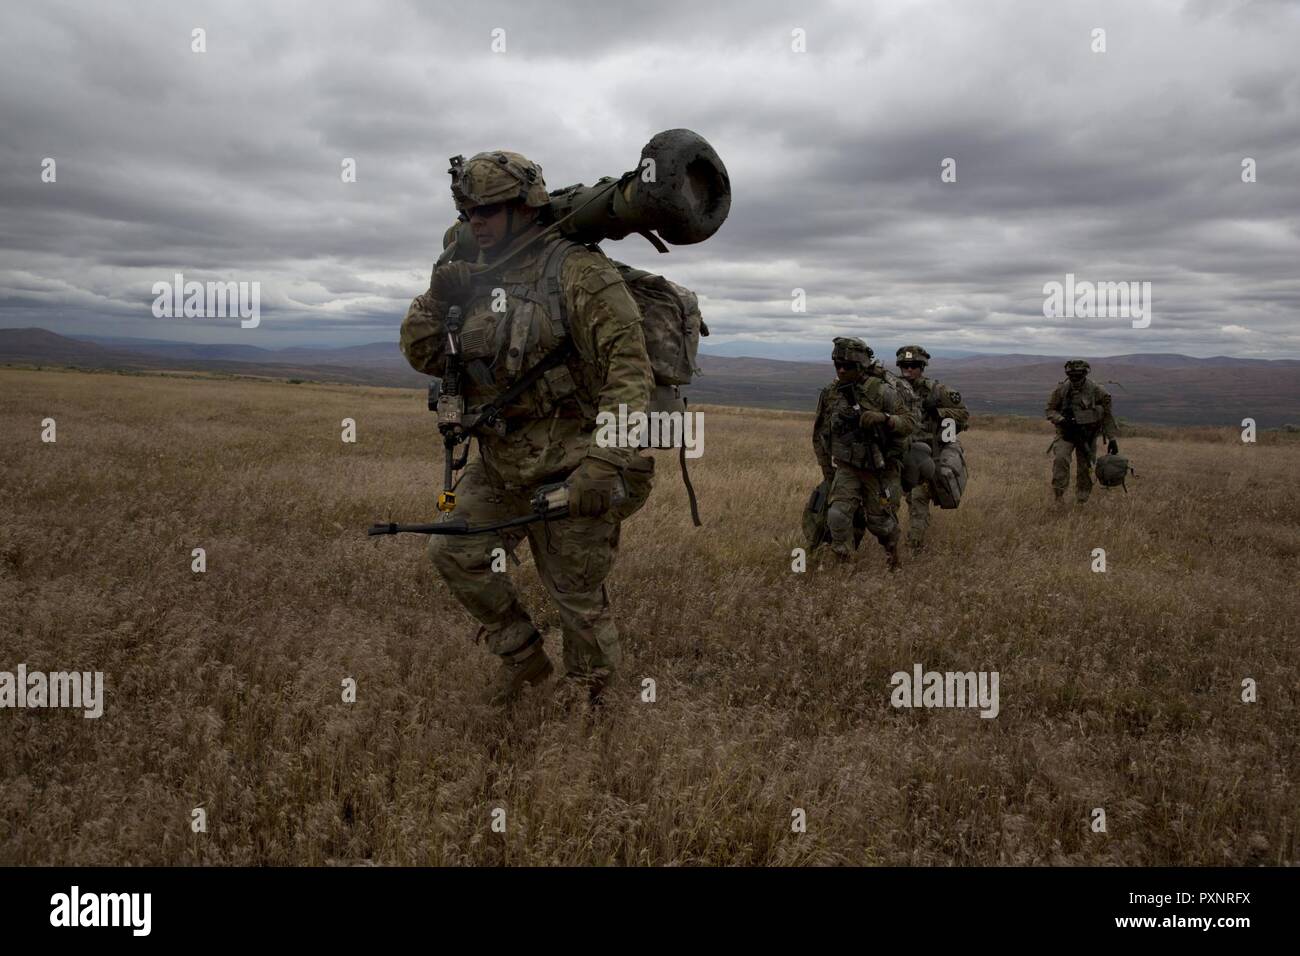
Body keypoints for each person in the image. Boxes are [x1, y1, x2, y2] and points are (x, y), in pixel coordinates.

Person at [399, 150, 655, 707]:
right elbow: (421, 353)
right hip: (499, 462)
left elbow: (630, 372)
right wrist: (439, 296)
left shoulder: (578, 272)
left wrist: (603, 464)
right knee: (454, 552)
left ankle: (593, 706)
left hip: (574, 463)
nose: (477, 225)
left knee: (577, 597)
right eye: (468, 214)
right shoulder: (472, 277)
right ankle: (523, 660)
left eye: (488, 211)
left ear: (525, 208)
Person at [812, 337, 914, 570]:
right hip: (847, 467)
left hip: (880, 468)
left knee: (881, 523)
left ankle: (893, 559)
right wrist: (828, 471)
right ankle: (844, 565)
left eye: (847, 366)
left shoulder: (882, 391)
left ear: (860, 366)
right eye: (837, 364)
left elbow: (909, 423)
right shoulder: (831, 393)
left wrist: (886, 419)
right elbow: (820, 434)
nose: (841, 370)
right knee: (837, 516)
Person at [894, 345, 969, 550]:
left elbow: (963, 416)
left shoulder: (938, 391)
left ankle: (914, 546)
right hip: (899, 454)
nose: (908, 370)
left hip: (926, 456)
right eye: (904, 366)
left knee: (918, 498)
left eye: (914, 366)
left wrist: (938, 413)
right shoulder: (892, 390)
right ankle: (890, 542)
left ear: (922, 367)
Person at [1045, 359, 1118, 504]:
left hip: (1088, 435)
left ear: (1085, 374)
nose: (1074, 378)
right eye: (1071, 375)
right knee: (1060, 460)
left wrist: (1112, 438)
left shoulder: (1098, 391)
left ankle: (1082, 499)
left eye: (1078, 375)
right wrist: (1061, 419)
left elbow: (1107, 415)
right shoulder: (1062, 389)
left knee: (1085, 467)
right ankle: (1059, 496)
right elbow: (1050, 410)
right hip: (1066, 433)